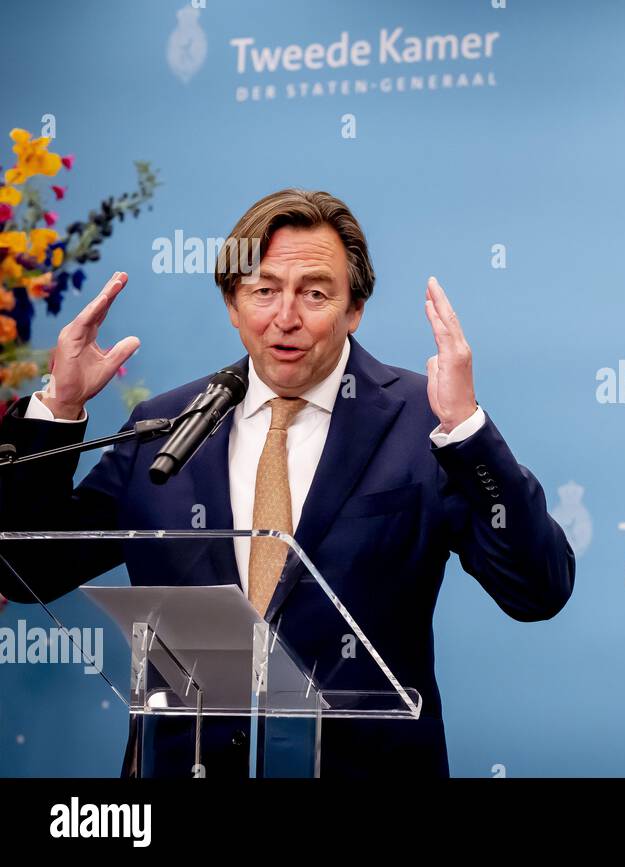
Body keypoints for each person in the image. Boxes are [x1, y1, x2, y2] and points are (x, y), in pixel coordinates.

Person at [0, 188, 575, 777]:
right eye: (263, 290)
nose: (285, 317)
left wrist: (467, 431)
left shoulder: (423, 422)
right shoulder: (165, 428)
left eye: (316, 293)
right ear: (232, 302)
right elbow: (28, 572)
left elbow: (537, 590)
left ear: (355, 309)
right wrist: (59, 407)